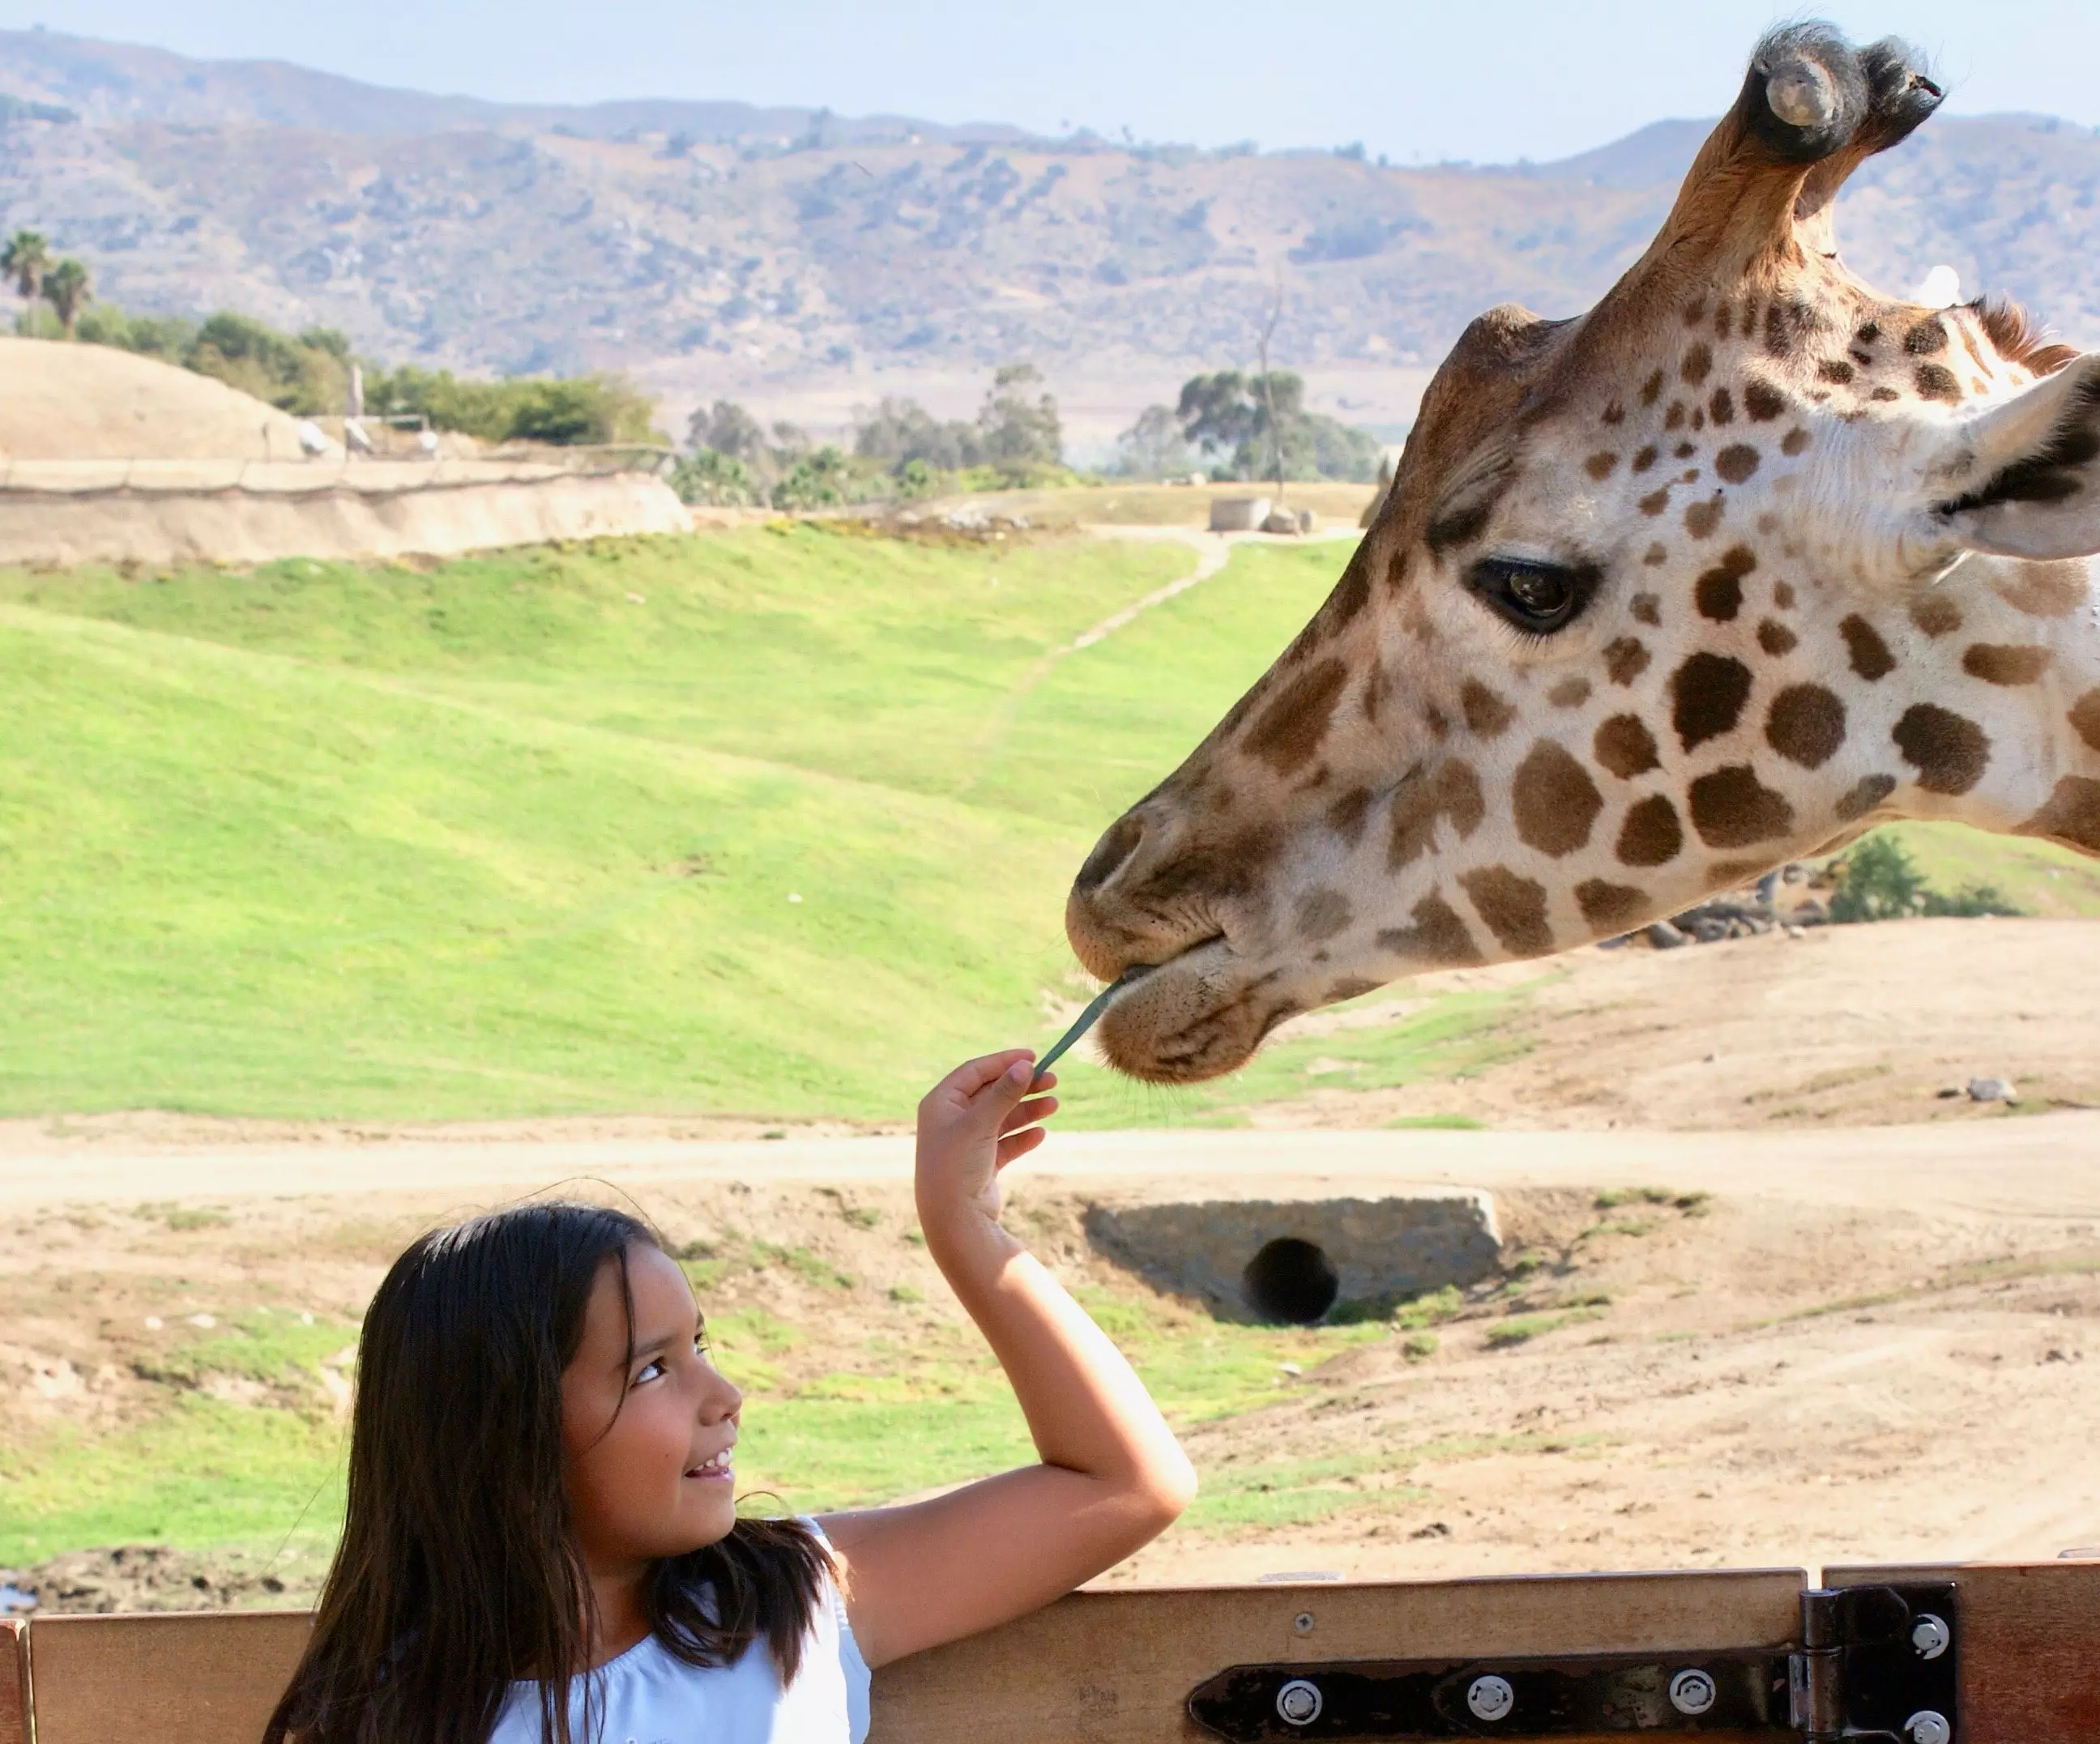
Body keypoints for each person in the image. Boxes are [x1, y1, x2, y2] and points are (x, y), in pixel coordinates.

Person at [264, 1050, 1196, 1744]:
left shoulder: (793, 1601)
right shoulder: (379, 1716)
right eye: (654, 1367)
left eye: (701, 1343)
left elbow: (1123, 1480)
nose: (728, 1394)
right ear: (502, 1436)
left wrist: (963, 1228)